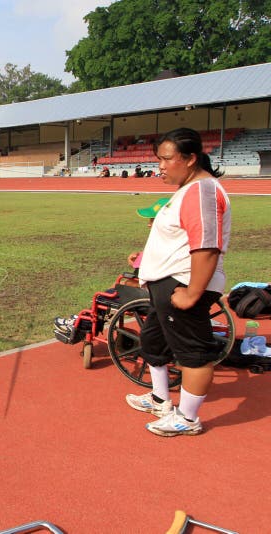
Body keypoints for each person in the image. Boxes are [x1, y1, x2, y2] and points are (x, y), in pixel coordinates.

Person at [125, 128, 231, 437]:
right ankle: (160, 400)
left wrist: (193, 292)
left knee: (193, 354)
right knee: (153, 342)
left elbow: (207, 246)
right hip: (167, 285)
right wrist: (147, 258)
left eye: (166, 159)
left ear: (190, 158)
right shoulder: (188, 190)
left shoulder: (203, 191)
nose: (160, 166)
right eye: (158, 159)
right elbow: (178, 239)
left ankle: (187, 418)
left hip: (182, 286)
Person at [53, 197, 169, 330]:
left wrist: (129, 280)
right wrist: (138, 258)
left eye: (152, 220)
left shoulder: (161, 246)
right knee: (118, 285)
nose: (149, 224)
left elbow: (149, 277)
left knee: (110, 292)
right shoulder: (172, 242)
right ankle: (89, 316)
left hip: (152, 297)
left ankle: (86, 323)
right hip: (159, 294)